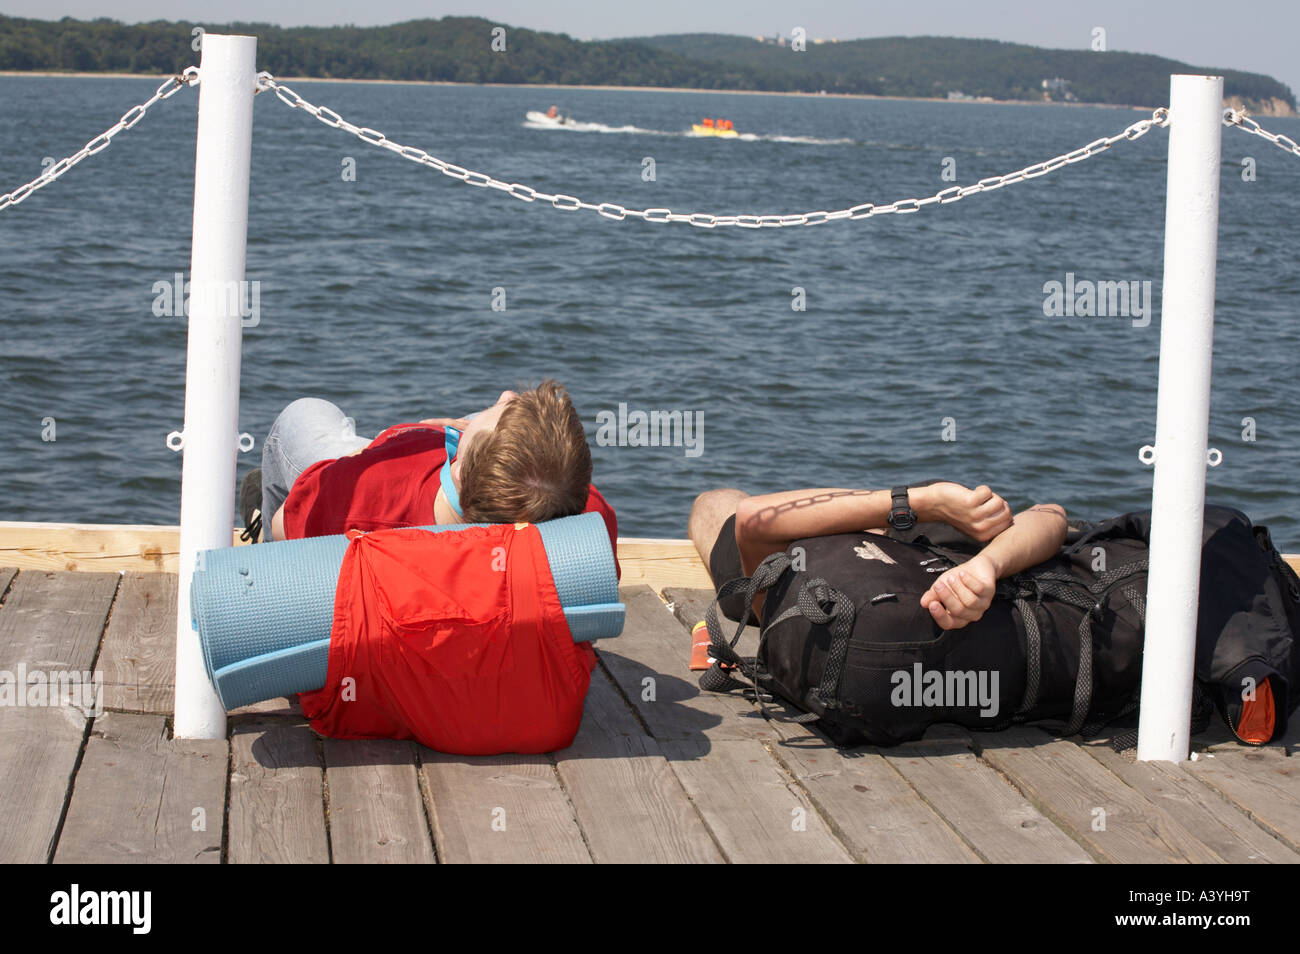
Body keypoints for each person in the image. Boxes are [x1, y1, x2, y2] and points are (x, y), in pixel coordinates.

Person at [239, 380, 618, 567]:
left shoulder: (368, 494)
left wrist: (363, 458)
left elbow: (283, 525)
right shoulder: (590, 521)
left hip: (373, 482)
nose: (506, 394)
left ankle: (265, 565)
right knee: (482, 428)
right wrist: (464, 434)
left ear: (456, 474)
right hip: (471, 511)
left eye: (501, 408)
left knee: (304, 414)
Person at [688, 481, 1067, 630]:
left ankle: (894, 511)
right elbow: (1051, 514)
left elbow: (755, 520)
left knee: (713, 503)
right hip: (932, 543)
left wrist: (923, 502)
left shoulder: (791, 605)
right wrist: (987, 566)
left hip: (800, 553)